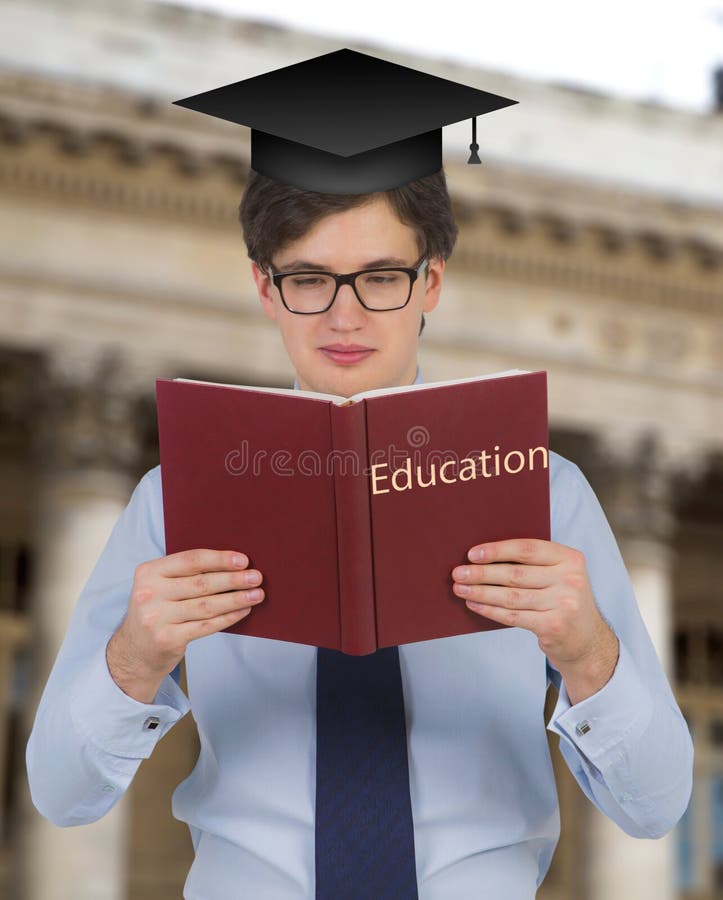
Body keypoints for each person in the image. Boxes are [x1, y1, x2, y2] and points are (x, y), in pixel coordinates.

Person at [26, 49, 694, 899]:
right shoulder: (174, 501)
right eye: (309, 279)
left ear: (431, 283)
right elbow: (61, 795)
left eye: (380, 277)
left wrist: (590, 654)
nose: (344, 315)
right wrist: (131, 660)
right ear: (265, 290)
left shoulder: (547, 494)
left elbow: (658, 807)